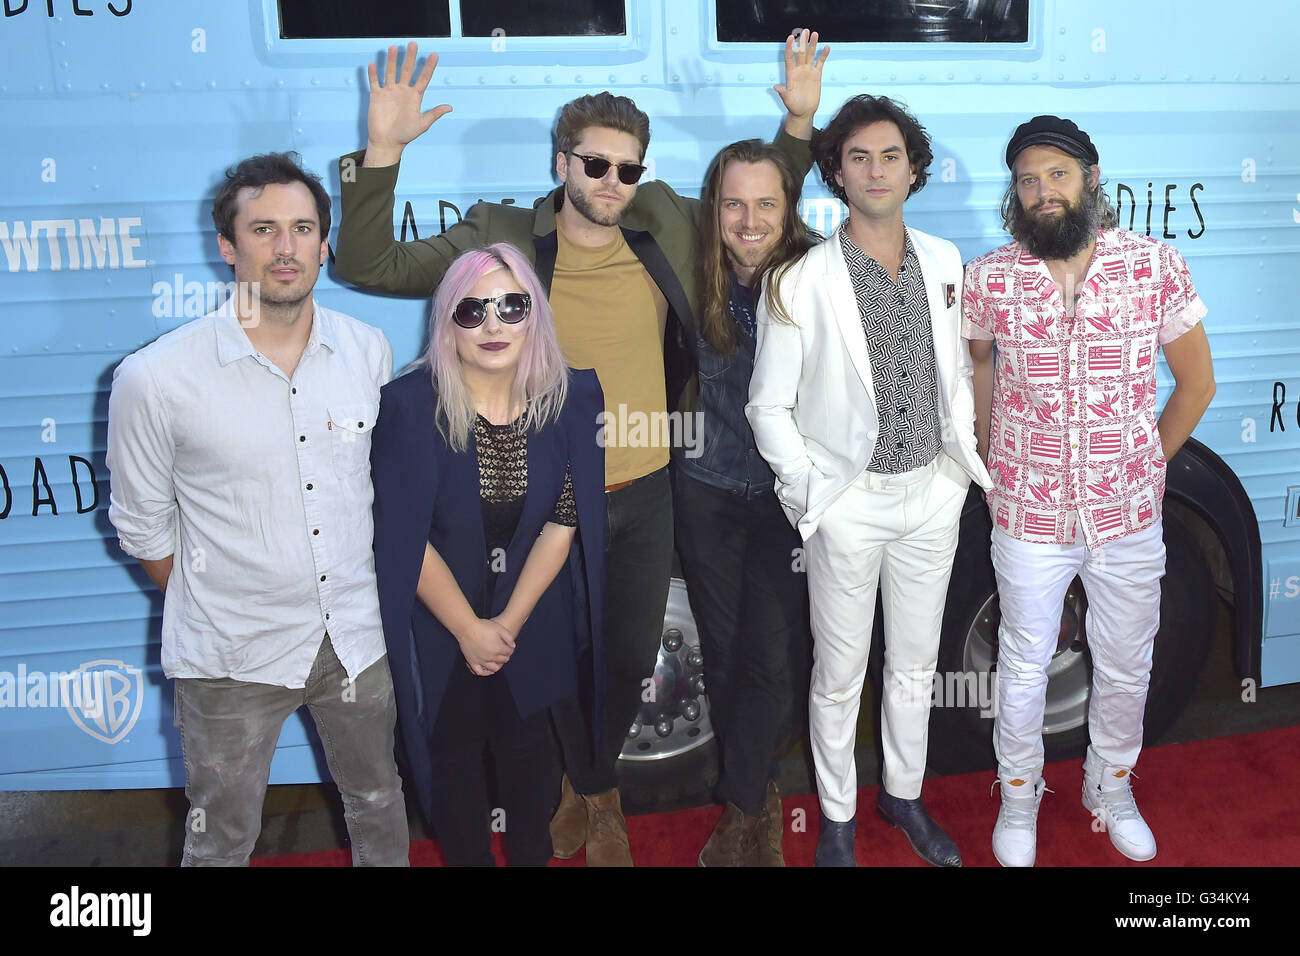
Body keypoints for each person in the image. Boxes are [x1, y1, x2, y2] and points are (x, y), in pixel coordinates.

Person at [334, 34, 826, 865]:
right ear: (563, 162)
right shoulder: (500, 235)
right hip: (541, 494)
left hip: (644, 488)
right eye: (595, 165)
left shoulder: (667, 217)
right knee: (546, 656)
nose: (611, 184)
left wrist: (801, 129)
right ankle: (593, 798)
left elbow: (759, 212)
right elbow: (366, 262)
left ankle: (590, 780)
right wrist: (380, 155)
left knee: (628, 659)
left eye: (627, 169)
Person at [105, 152, 408, 866]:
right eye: (264, 229)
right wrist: (222, 601)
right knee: (223, 834)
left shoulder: (366, 350)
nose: (285, 247)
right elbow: (142, 524)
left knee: (380, 803)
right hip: (228, 656)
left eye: (303, 228)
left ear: (325, 243)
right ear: (227, 246)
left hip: (357, 640)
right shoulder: (156, 378)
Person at [962, 116, 1216, 867]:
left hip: (1129, 514)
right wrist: (988, 455)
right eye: (1028, 180)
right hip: (1028, 511)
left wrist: (1146, 463)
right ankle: (1017, 796)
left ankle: (1110, 788)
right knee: (1023, 661)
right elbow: (977, 368)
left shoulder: (1154, 268)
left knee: (1127, 659)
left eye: (1058, 174)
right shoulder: (990, 278)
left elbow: (1197, 384)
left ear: (1091, 178)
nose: (1043, 191)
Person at [747, 95, 991, 867]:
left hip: (933, 496)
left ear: (913, 168)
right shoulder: (798, 280)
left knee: (916, 663)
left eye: (890, 155)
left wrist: (959, 470)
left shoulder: (947, 260)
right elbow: (767, 406)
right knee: (839, 671)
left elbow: (957, 373)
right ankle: (839, 815)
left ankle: (904, 795)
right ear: (837, 174)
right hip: (848, 505)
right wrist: (810, 494)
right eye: (859, 157)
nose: (876, 170)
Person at [370, 242, 606, 866]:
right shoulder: (409, 407)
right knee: (456, 788)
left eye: (511, 305)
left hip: (531, 625)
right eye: (471, 311)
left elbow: (565, 519)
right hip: (444, 634)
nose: (494, 325)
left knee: (532, 788)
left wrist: (507, 624)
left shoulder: (573, 398)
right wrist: (471, 630)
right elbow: (403, 536)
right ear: (447, 324)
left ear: (536, 313)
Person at [678, 140, 817, 866]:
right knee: (725, 652)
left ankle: (748, 804)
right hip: (706, 492)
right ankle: (753, 799)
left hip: (783, 503)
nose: (750, 219)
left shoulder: (818, 272)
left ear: (788, 208)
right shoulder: (692, 272)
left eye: (767, 203)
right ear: (715, 208)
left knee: (769, 654)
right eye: (735, 203)